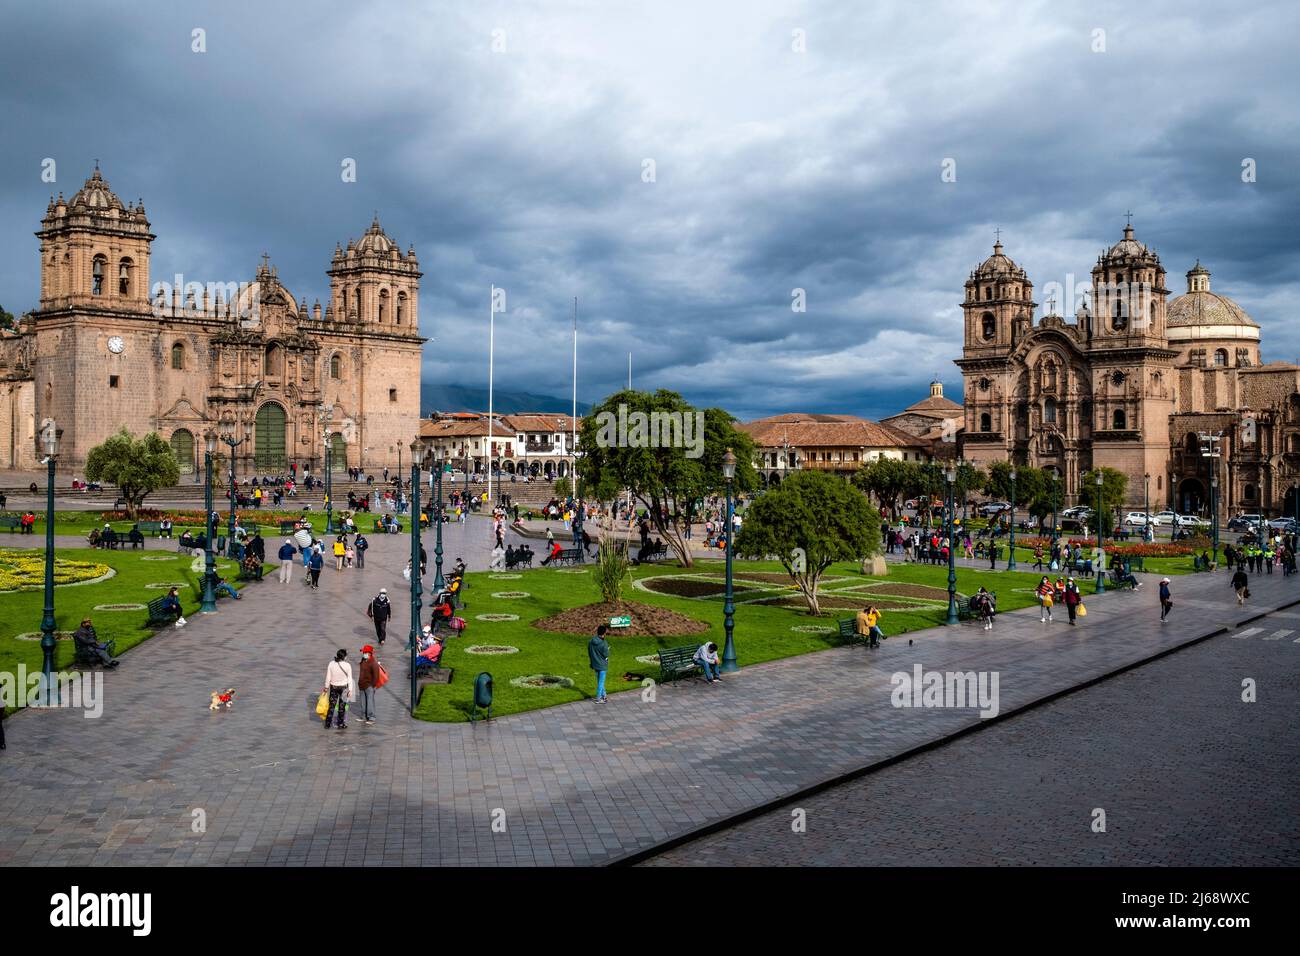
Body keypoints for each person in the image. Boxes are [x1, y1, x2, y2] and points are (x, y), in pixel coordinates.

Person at [323, 649, 353, 730]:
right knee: (342, 707)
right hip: (344, 688)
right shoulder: (348, 666)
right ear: (344, 657)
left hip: (333, 687)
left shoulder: (331, 664)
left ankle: (327, 724)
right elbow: (350, 679)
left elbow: (328, 677)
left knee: (331, 706)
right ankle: (340, 724)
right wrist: (350, 690)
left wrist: (326, 687)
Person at [588, 624, 610, 703]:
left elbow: (590, 653)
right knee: (600, 683)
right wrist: (607, 649)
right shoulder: (604, 643)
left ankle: (604, 696)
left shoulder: (591, 642)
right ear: (604, 633)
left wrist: (592, 662)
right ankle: (598, 698)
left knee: (600, 682)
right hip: (602, 666)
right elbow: (606, 655)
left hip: (595, 665)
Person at [358, 644, 380, 724]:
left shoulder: (373, 663)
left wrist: (372, 686)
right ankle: (364, 716)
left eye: (364, 652)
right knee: (363, 702)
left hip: (369, 686)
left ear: (369, 653)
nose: (363, 654)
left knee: (370, 702)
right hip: (361, 685)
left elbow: (376, 676)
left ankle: (371, 717)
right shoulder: (363, 660)